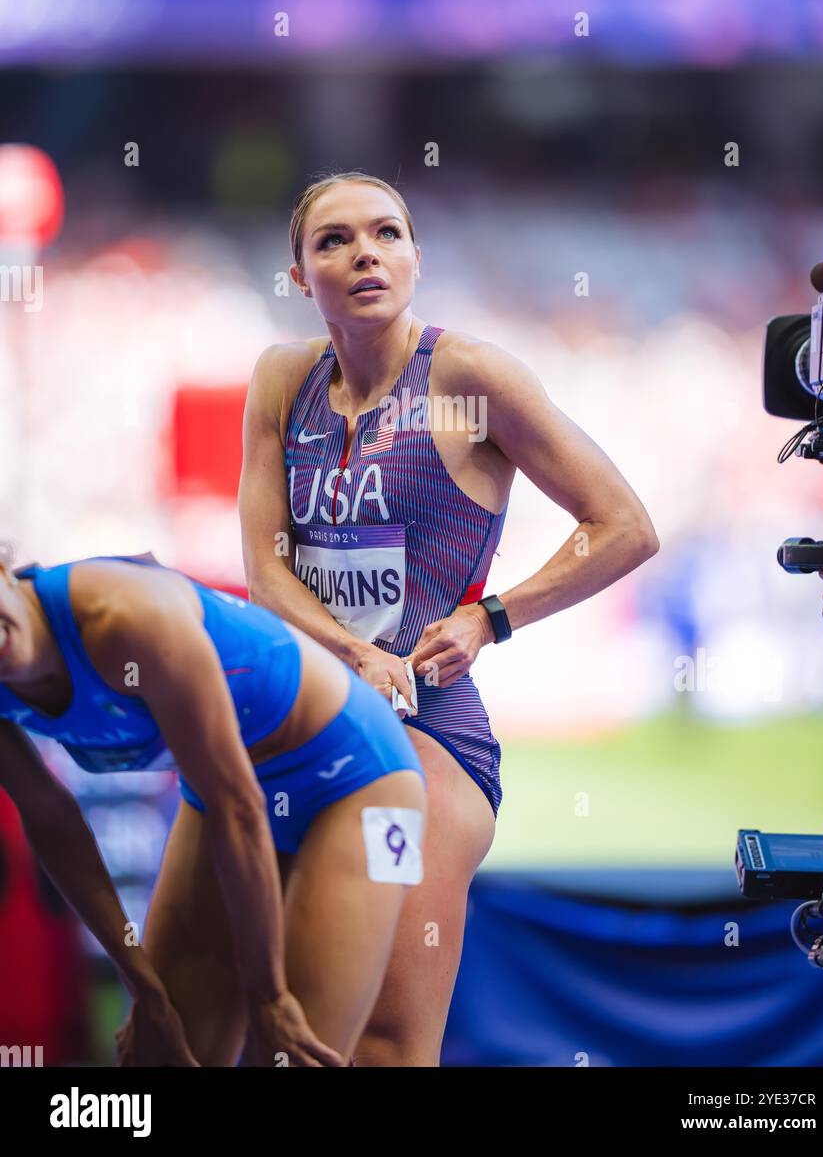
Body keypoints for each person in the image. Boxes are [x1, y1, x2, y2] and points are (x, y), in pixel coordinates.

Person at [240, 171, 660, 1066]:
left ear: (417, 258)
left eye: (388, 234)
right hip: (301, 726)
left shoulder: (467, 377)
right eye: (334, 240)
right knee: (282, 1033)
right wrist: (353, 651)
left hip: (427, 738)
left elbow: (624, 527)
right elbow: (265, 573)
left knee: (388, 1042)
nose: (364, 253)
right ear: (296, 275)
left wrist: (491, 618)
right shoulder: (282, 381)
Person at [0, 551, 426, 1066]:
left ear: (4, 566)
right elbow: (51, 818)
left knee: (294, 1052)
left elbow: (239, 807)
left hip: (359, 778)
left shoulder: (123, 615)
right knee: (162, 1057)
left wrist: (267, 997)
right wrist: (146, 991)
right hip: (225, 789)